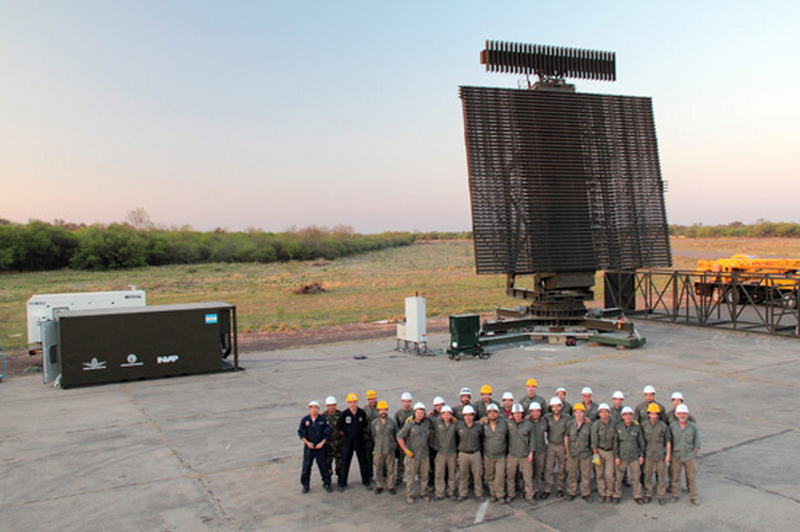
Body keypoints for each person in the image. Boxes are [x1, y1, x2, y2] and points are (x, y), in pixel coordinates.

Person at [397, 402, 433, 504]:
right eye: (418, 412)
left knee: (424, 476)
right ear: (414, 413)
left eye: (422, 412)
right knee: (411, 477)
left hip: (424, 455)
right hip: (413, 456)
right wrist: (405, 450)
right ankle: (410, 495)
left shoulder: (426, 423)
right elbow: (399, 436)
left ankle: (423, 493)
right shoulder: (409, 424)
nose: (420, 414)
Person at [336, 393, 371, 491]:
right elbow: (339, 427)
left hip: (359, 441)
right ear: (348, 403)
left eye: (354, 402)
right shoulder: (344, 414)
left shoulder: (361, 413)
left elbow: (364, 424)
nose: (353, 404)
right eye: (351, 402)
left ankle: (366, 481)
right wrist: (347, 435)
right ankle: (342, 483)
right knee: (345, 462)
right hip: (348, 442)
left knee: (363, 461)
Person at [298, 400, 333, 494]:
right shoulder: (305, 420)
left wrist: (322, 443)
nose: (314, 410)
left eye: (316, 407)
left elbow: (327, 433)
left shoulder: (323, 420)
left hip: (320, 447)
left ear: (318, 409)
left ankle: (327, 483)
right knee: (306, 466)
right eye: (312, 407)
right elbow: (301, 433)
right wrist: (307, 443)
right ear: (309, 409)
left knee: (323, 466)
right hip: (309, 447)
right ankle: (305, 485)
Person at [669, 404, 701, 506]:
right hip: (676, 456)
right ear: (676, 414)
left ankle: (693, 496)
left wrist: (693, 454)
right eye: (680, 413)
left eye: (684, 413)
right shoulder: (672, 427)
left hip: (689, 456)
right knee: (675, 477)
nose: (682, 415)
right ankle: (675, 494)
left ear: (687, 415)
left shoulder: (693, 427)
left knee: (691, 477)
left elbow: (697, 443)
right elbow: (669, 442)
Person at [614, 406, 645, 504]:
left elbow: (641, 443)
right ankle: (617, 494)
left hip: (634, 456)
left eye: (630, 415)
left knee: (636, 477)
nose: (628, 417)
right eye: (625, 415)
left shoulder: (637, 428)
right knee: (618, 478)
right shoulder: (618, 427)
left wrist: (641, 455)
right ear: (622, 416)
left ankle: (637, 495)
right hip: (622, 456)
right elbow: (615, 443)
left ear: (632, 416)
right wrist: (616, 456)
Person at [642, 403, 671, 505]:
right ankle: (648, 494)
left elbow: (667, 440)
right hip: (649, 454)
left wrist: (668, 454)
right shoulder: (644, 425)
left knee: (661, 476)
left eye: (656, 414)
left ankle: (661, 495)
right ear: (648, 414)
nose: (654, 416)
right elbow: (641, 441)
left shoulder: (663, 426)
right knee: (648, 476)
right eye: (652, 414)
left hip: (660, 455)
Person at [542, 396, 570, 499]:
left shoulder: (566, 418)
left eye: (558, 407)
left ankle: (560, 488)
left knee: (561, 468)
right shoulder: (547, 417)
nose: (556, 409)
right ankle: (547, 488)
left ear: (561, 406)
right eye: (553, 407)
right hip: (551, 445)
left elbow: (568, 433)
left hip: (561, 445)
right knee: (549, 468)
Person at [565, 403, 594, 502]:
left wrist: (593, 453)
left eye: (580, 412)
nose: (578, 414)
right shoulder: (570, 424)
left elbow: (592, 440)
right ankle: (571, 491)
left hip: (585, 453)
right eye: (576, 412)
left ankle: (585, 492)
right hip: (573, 453)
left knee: (585, 474)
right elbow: (567, 437)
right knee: (572, 474)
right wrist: (567, 451)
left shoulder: (589, 425)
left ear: (584, 413)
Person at [506, 403, 534, 503]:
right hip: (512, 454)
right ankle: (511, 494)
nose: (517, 415)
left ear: (522, 414)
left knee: (527, 477)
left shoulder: (528, 425)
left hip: (525, 455)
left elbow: (532, 439)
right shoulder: (508, 423)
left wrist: (531, 453)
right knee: (511, 476)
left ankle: (529, 496)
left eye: (519, 413)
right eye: (515, 413)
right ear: (512, 414)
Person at [482, 403, 509, 503]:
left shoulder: (504, 424)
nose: (492, 414)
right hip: (488, 455)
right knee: (490, 475)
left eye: (494, 412)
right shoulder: (483, 425)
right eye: (490, 413)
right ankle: (493, 493)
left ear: (498, 414)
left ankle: (500, 494)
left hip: (500, 455)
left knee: (500, 476)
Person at [456, 405, 484, 501]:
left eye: (470, 415)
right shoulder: (459, 426)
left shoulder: (479, 427)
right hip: (463, 453)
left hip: (475, 453)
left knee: (477, 475)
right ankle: (462, 493)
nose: (468, 417)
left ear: (473, 416)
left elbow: (482, 439)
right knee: (463, 475)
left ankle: (479, 493)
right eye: (466, 415)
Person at [591, 403, 617, 503]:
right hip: (599, 451)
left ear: (609, 413)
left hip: (610, 452)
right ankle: (602, 493)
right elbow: (594, 440)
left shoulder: (614, 423)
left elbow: (616, 439)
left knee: (609, 475)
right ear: (599, 413)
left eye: (606, 412)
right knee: (599, 474)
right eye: (602, 412)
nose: (604, 414)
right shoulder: (596, 425)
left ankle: (610, 492)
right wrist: (595, 454)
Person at [370, 400, 398, 495]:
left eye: (385, 410)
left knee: (390, 468)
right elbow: (373, 435)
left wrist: (393, 445)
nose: (383, 412)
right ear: (378, 411)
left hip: (389, 449)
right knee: (378, 468)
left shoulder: (392, 422)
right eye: (381, 410)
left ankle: (391, 486)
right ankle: (379, 485)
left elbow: (395, 435)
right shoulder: (374, 423)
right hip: (378, 449)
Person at [432, 405, 459, 500]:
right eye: (445, 414)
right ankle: (439, 493)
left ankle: (451, 492)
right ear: (441, 415)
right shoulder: (437, 422)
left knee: (452, 474)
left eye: (448, 414)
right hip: (441, 453)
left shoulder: (455, 425)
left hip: (452, 453)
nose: (447, 416)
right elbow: (426, 418)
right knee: (439, 474)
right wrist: (431, 412)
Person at [528, 402, 548, 500]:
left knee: (538, 472)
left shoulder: (544, 422)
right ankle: (529, 490)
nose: (535, 413)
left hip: (541, 450)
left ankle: (536, 490)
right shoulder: (527, 422)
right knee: (529, 472)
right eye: (533, 412)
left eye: (537, 412)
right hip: (529, 451)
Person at [393, 392, 414, 485]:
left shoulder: (415, 412)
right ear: (402, 402)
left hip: (412, 441)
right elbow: (395, 427)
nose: (407, 403)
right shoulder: (398, 414)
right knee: (401, 459)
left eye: (408, 401)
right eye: (405, 401)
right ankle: (399, 476)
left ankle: (413, 476)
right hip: (402, 441)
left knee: (413, 460)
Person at [322, 396, 343, 482]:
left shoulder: (341, 415)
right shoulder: (323, 417)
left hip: (339, 445)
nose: (331, 407)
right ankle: (327, 482)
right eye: (329, 405)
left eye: (333, 405)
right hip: (328, 446)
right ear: (327, 406)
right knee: (327, 465)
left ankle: (341, 481)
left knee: (340, 465)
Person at [364, 389, 379, 481]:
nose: (371, 401)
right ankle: (369, 474)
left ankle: (383, 474)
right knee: (368, 457)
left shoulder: (380, 408)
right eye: (369, 399)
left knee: (381, 457)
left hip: (378, 437)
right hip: (368, 437)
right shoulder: (365, 410)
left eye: (373, 399)